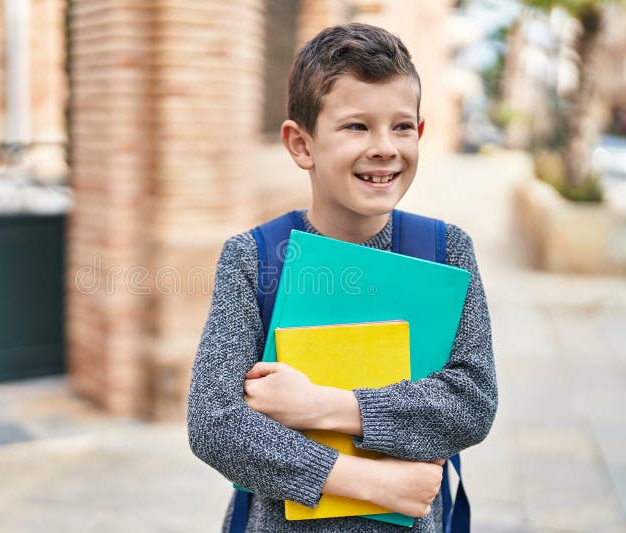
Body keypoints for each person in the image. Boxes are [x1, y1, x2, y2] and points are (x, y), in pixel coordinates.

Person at [187, 22, 497, 532]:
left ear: (419, 133)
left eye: (400, 126)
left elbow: (471, 403)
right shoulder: (256, 259)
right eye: (357, 126)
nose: (384, 147)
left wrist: (323, 405)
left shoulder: (446, 252)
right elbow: (215, 425)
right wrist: (367, 481)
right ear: (301, 144)